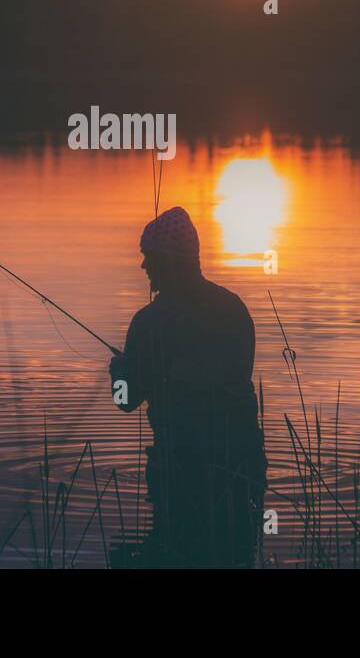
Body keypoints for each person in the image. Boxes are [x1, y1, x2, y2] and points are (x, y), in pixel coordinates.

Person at [109, 206, 266, 567]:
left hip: (180, 469)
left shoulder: (150, 322)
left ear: (169, 260)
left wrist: (119, 369)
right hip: (243, 465)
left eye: (149, 258)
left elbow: (127, 400)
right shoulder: (233, 309)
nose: (143, 267)